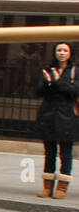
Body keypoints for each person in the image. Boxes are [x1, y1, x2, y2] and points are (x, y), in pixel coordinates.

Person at [36, 42, 77, 199]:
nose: (61, 53)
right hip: (48, 114)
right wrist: (47, 83)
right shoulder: (47, 70)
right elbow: (39, 91)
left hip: (67, 115)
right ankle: (47, 187)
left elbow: (74, 91)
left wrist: (57, 82)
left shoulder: (74, 71)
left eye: (65, 50)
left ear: (70, 53)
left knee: (65, 153)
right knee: (49, 152)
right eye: (59, 50)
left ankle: (62, 187)